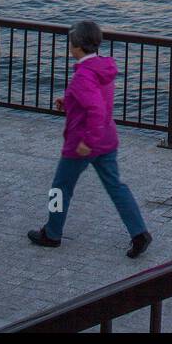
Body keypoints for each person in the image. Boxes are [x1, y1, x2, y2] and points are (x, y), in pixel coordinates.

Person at [28, 19, 152, 258]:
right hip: (107, 139)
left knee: (59, 189)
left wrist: (87, 141)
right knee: (116, 187)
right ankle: (139, 233)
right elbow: (96, 100)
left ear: (76, 46)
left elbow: (95, 109)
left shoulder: (83, 75)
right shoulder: (101, 67)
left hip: (82, 144)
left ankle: (51, 233)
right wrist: (69, 102)